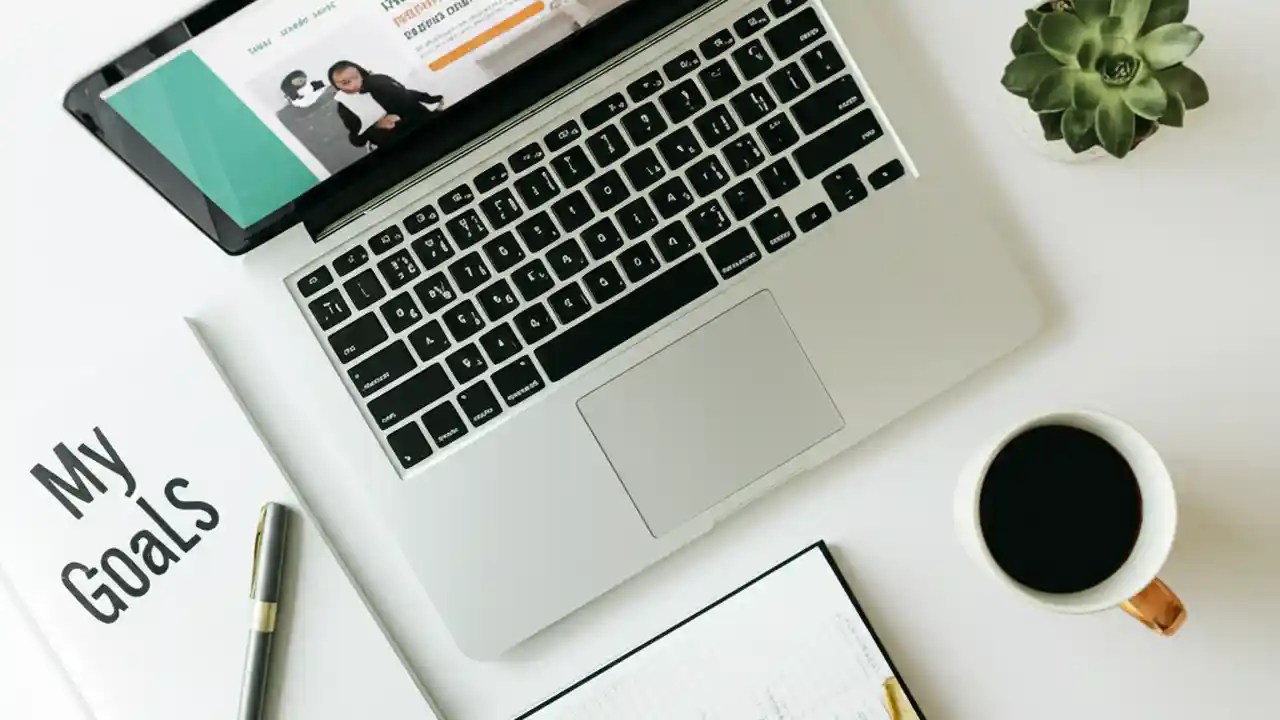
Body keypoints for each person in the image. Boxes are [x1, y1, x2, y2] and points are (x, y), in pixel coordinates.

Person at [327, 61, 444, 150]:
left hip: (424, 128)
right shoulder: (344, 106)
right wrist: (376, 125)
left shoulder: (379, 81)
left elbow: (406, 94)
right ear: (336, 86)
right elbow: (357, 138)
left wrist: (431, 99)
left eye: (356, 77)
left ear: (361, 73)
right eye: (345, 83)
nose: (353, 84)